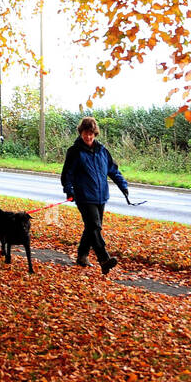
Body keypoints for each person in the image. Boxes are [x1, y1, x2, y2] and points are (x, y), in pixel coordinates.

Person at [60, 116, 129, 275]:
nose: (88, 136)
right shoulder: (75, 151)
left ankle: (82, 257)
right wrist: (69, 190)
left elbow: (113, 170)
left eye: (91, 133)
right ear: (81, 133)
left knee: (91, 228)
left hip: (101, 195)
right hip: (84, 196)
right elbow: (67, 174)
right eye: (85, 133)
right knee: (94, 226)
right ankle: (104, 260)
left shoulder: (102, 151)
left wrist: (123, 186)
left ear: (95, 133)